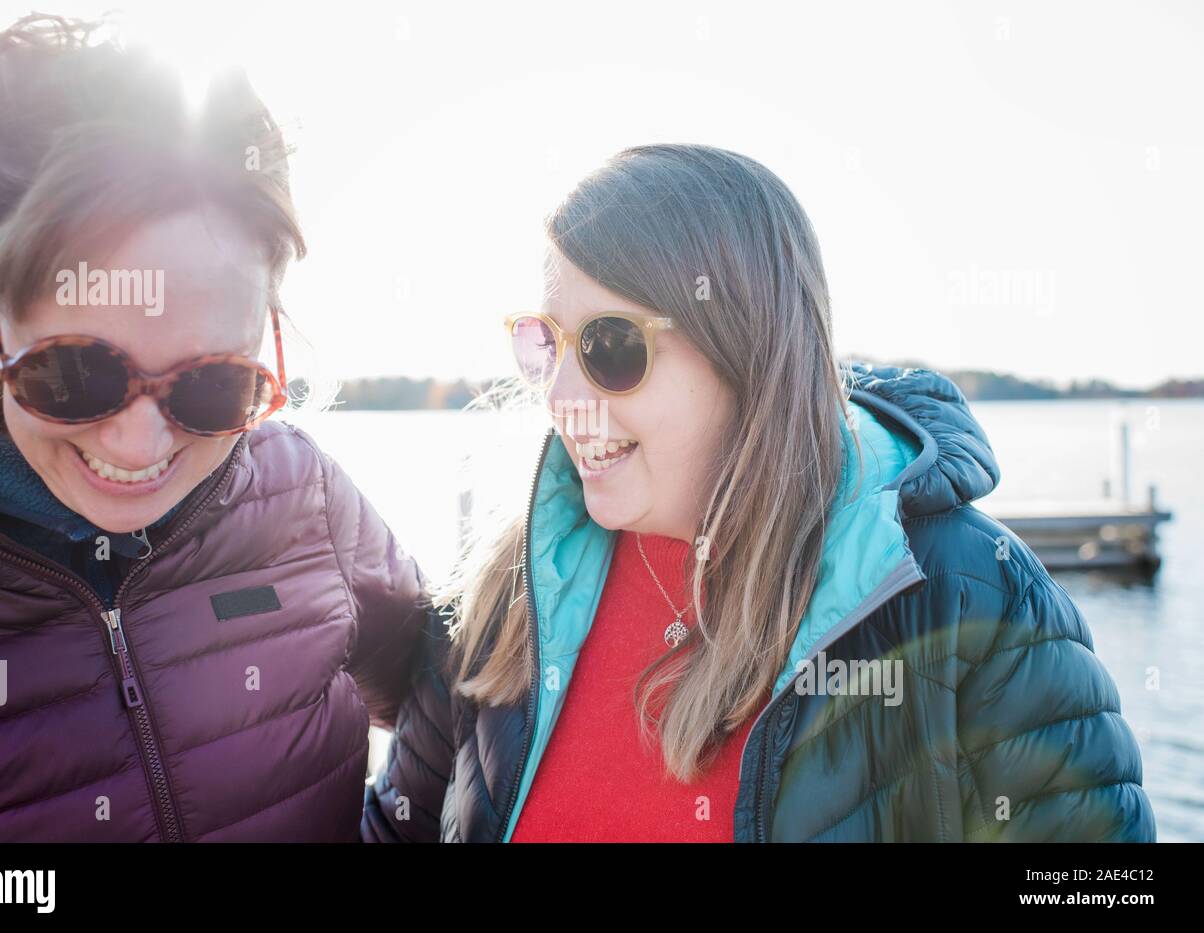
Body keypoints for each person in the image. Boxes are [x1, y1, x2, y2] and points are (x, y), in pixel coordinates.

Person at [362, 144, 1155, 842]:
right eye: (548, 341)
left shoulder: (968, 600)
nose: (561, 393)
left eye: (610, 345)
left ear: (746, 353)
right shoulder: (504, 596)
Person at [0, 14, 426, 841]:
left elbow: (456, 694)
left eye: (215, 386)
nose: (139, 448)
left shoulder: (301, 496)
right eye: (76, 375)